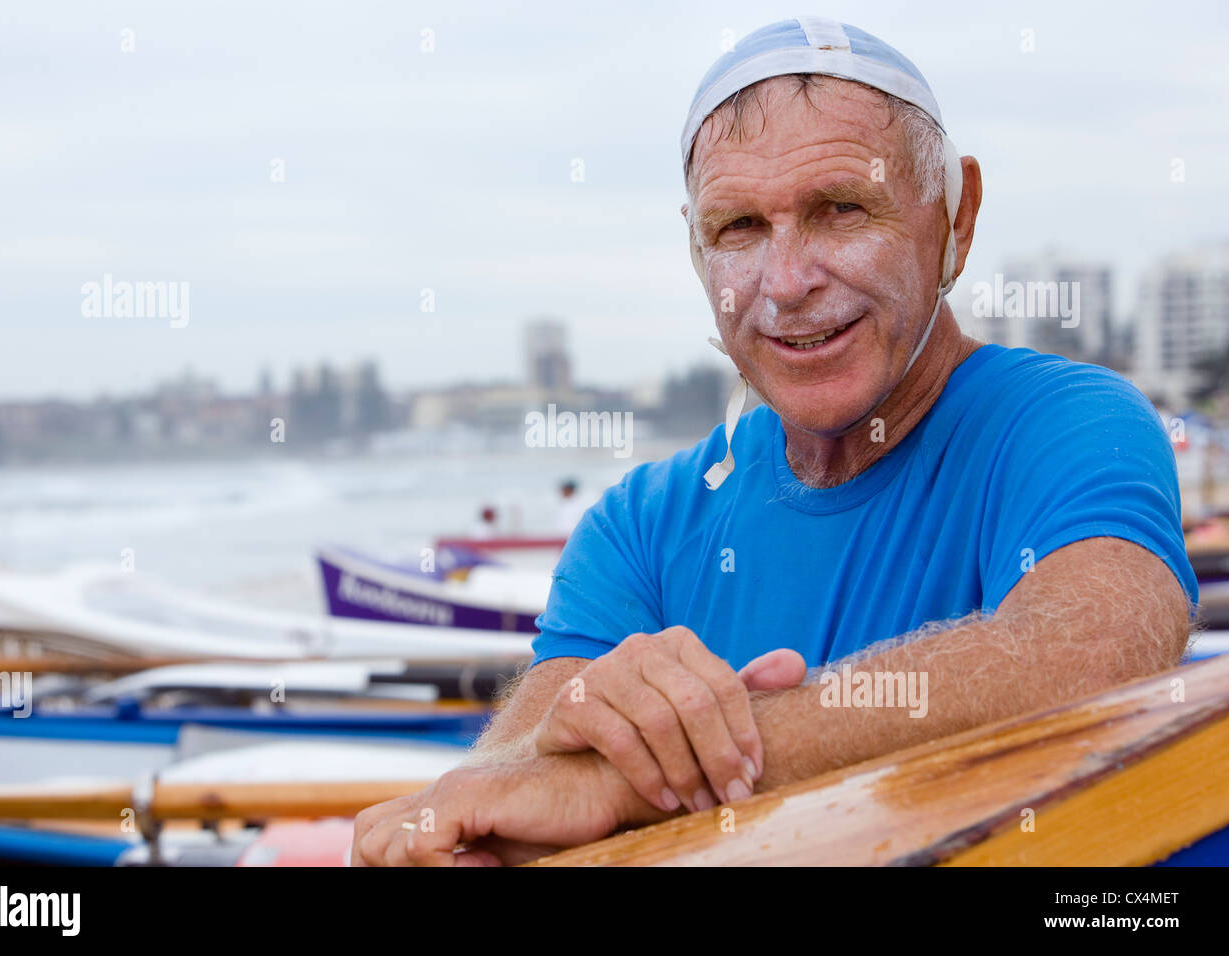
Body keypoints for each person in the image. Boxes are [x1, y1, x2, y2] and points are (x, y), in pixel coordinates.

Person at [352, 16, 1198, 866]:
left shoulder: (1063, 423)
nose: (787, 284)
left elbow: (1091, 665)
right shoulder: (641, 527)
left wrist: (635, 776)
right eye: (740, 229)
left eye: (840, 210)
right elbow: (498, 801)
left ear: (956, 219)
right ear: (695, 249)